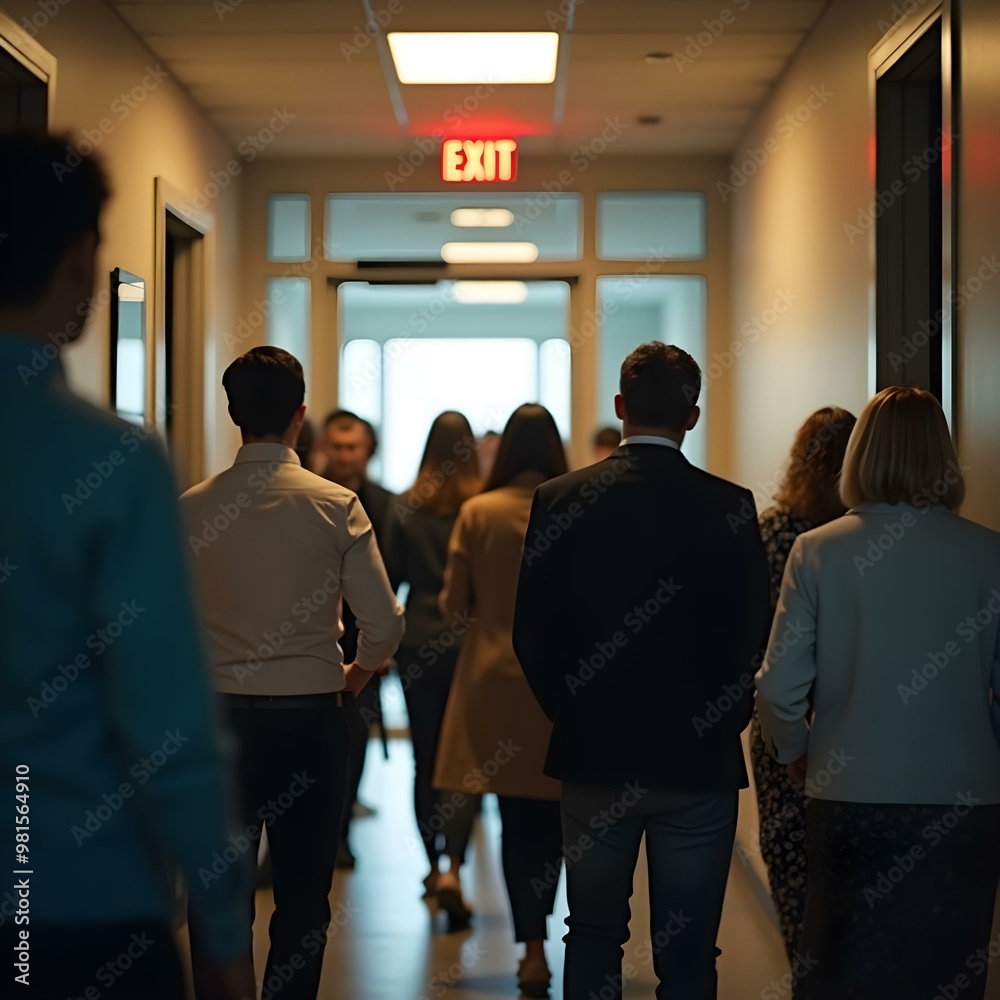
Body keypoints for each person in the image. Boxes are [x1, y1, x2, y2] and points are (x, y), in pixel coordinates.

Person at [0, 131, 253, 1000]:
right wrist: (222, 930)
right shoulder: (107, 462)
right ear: (78, 259)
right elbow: (168, 731)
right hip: (79, 901)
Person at [513, 343, 770, 1000]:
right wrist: (723, 717)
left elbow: (531, 633)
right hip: (698, 759)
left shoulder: (559, 499)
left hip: (594, 752)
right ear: (692, 415)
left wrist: (570, 712)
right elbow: (753, 632)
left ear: (621, 407)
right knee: (687, 950)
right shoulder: (731, 505)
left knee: (593, 932)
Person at [755, 386, 1000, 1000]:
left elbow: (779, 690)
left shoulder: (818, 550)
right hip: (965, 801)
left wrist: (794, 752)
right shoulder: (989, 553)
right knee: (949, 969)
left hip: (848, 797)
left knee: (842, 972)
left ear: (859, 456)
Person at [181, 348, 404, 1000]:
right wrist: (353, 679)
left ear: (232, 413)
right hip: (311, 722)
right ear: (300, 417)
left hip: (219, 724)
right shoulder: (337, 505)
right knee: (304, 898)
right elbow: (385, 626)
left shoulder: (191, 508)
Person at [435, 404, 568, 997]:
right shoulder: (577, 504)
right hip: (563, 682)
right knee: (557, 820)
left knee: (514, 819)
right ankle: (566, 942)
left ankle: (531, 949)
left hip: (493, 681)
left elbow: (453, 607)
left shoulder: (477, 513)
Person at [749, 406, 855, 961]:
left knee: (794, 879)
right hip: (855, 727)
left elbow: (754, 643)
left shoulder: (772, 533)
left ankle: (805, 978)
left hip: (779, 726)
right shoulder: (861, 542)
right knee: (852, 885)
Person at [381, 412, 483, 912]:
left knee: (425, 759)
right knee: (465, 759)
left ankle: (432, 863)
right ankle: (456, 866)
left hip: (419, 641)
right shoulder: (480, 506)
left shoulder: (404, 507)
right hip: (471, 642)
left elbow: (389, 581)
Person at [322, 409, 397, 866]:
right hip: (314, 638)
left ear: (369, 450)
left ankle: (342, 831)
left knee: (355, 742)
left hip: (366, 645)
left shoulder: (388, 505)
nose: (346, 455)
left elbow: (394, 573)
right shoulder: (313, 498)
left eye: (354, 447)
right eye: (338, 446)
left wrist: (381, 644)